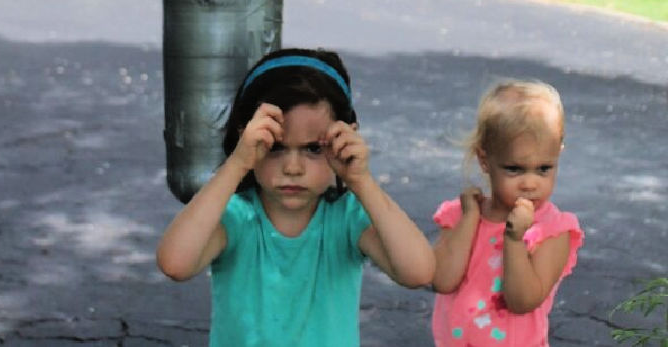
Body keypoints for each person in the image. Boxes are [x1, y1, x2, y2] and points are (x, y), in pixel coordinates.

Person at [156, 47, 435, 347]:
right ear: (246, 140)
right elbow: (175, 263)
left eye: (314, 148)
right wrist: (236, 165)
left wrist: (361, 181)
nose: (292, 168)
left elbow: (418, 272)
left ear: (345, 139)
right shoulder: (235, 217)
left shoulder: (347, 217)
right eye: (274, 147)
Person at [431, 79, 583, 347]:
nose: (530, 183)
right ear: (485, 160)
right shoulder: (460, 215)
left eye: (544, 168)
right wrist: (469, 219)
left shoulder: (552, 230)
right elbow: (442, 280)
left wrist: (514, 240)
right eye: (514, 169)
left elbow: (522, 301)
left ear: (558, 155)